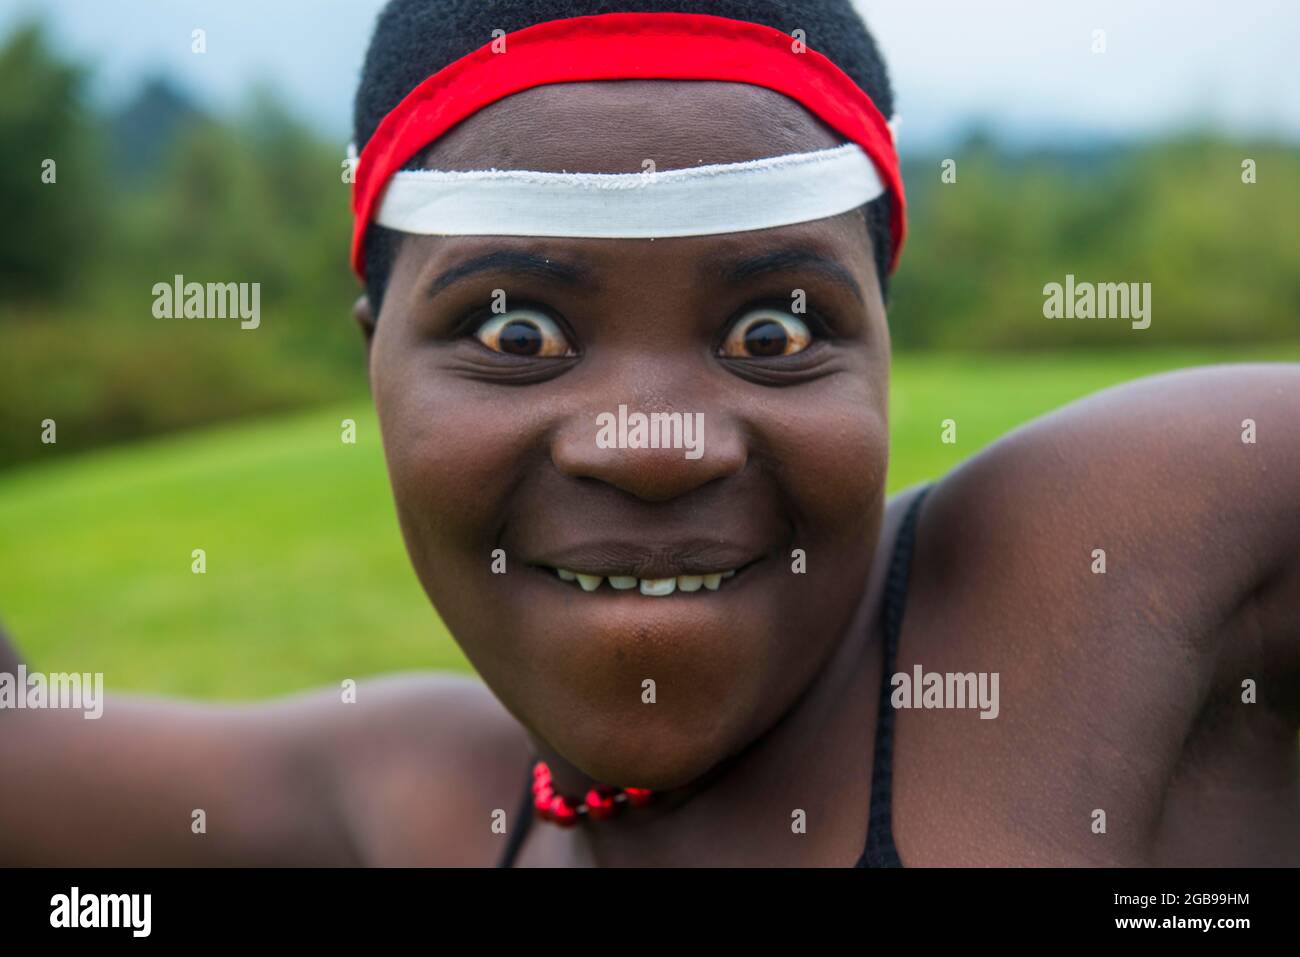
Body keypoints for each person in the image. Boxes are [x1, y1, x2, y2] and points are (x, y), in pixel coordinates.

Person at [1, 0, 1296, 867]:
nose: (653, 441)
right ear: (373, 354)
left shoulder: (1114, 561)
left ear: (886, 346)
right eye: (517, 335)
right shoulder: (421, 800)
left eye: (774, 332)